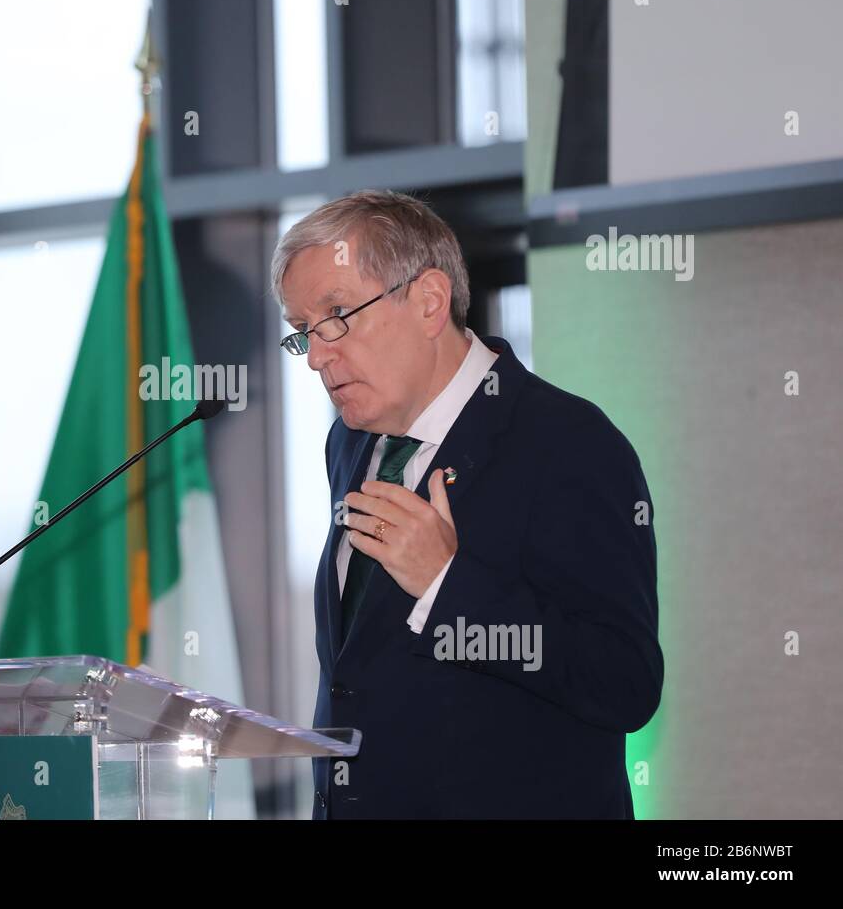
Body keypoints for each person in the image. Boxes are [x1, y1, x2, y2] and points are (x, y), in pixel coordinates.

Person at [273, 190, 663, 818]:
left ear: (429, 301)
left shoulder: (567, 441)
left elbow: (625, 683)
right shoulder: (349, 443)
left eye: (338, 314)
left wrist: (446, 585)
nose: (318, 356)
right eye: (304, 333)